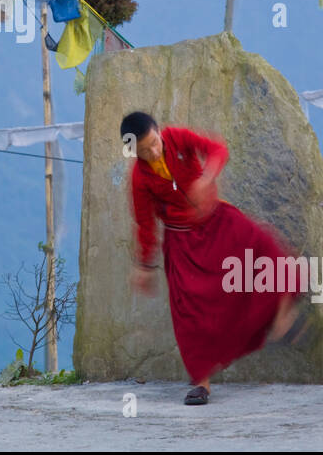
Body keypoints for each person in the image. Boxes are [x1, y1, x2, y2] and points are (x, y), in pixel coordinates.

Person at [122, 112, 304, 405]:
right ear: (133, 151)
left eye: (154, 143)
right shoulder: (139, 178)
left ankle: (284, 312)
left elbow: (218, 149)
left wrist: (207, 177)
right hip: (181, 242)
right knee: (189, 314)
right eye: (144, 150)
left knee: (264, 249)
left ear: (159, 131)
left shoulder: (178, 137)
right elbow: (145, 224)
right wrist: (144, 265)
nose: (153, 152)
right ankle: (201, 383)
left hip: (217, 221)